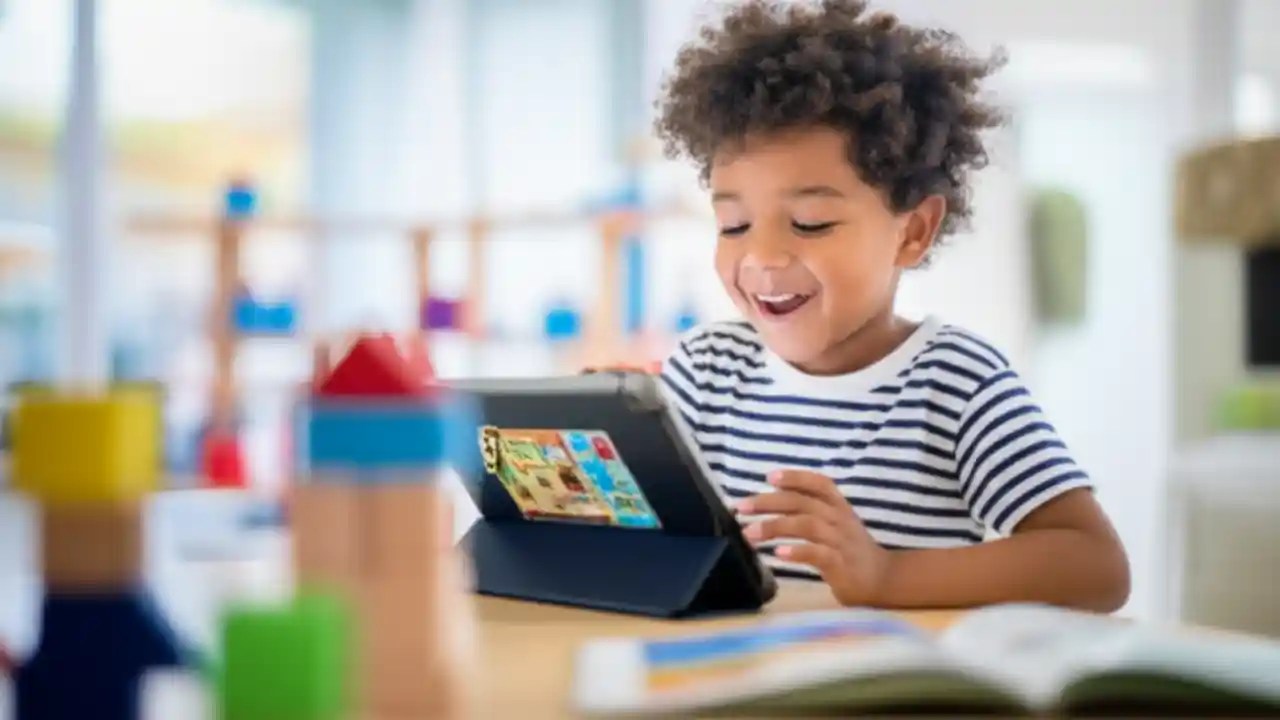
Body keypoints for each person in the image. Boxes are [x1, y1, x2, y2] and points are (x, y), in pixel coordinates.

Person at [652, 0, 1129, 611]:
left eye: (811, 222)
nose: (762, 257)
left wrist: (886, 577)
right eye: (734, 224)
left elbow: (1095, 567)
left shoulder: (955, 383)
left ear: (912, 232)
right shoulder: (704, 370)